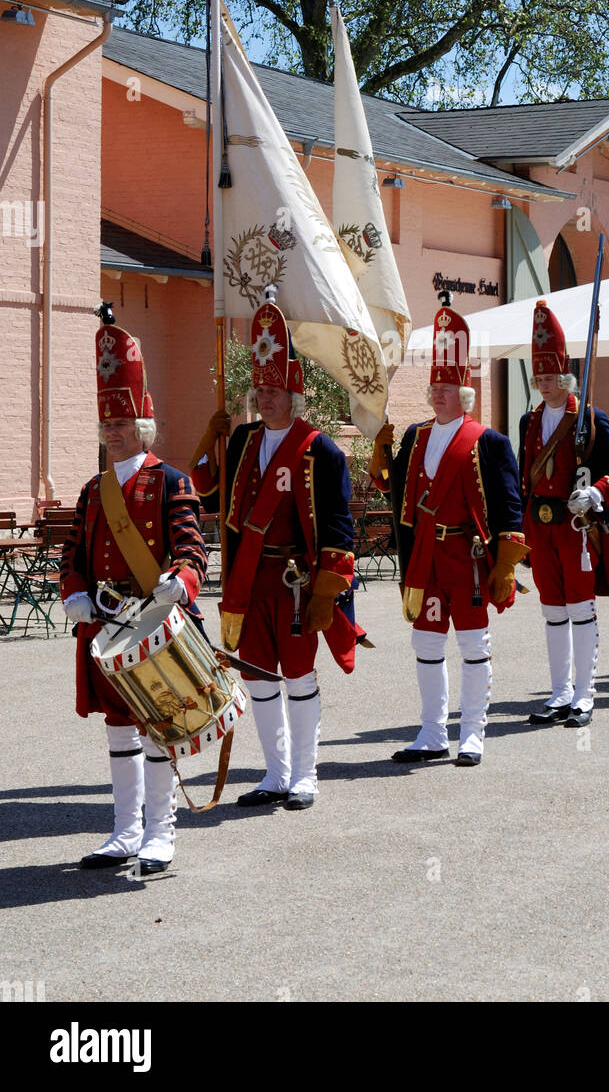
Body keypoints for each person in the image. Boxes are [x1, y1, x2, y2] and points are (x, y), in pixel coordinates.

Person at [191, 289, 360, 810]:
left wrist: (328, 591)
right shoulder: (241, 440)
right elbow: (208, 493)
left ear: (294, 394)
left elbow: (338, 527)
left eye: (274, 388)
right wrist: (208, 439)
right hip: (249, 579)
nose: (264, 396)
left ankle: (305, 775)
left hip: (296, 584)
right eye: (259, 388)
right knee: (257, 677)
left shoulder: (321, 450)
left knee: (300, 676)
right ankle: (276, 772)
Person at [60, 312, 208, 873]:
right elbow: (73, 557)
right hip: (105, 627)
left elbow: (194, 550)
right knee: (118, 727)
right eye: (106, 421)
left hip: (153, 623)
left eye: (122, 421)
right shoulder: (92, 491)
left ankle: (160, 833)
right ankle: (123, 832)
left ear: (142, 424)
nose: (113, 430)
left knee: (156, 726)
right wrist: (73, 593)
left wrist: (181, 583)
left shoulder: (171, 481)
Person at [370, 299, 527, 766]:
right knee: (427, 642)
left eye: (447, 386)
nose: (437, 393)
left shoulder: (488, 442)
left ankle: (473, 734)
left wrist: (505, 562)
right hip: (425, 557)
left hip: (468, 554)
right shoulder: (416, 437)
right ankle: (432, 732)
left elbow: (508, 505)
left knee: (473, 643)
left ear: (465, 392)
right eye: (433, 386)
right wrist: (381, 456)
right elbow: (398, 492)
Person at [517, 301, 609, 727]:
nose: (544, 385)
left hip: (576, 525)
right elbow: (522, 477)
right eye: (540, 378)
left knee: (580, 609)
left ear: (565, 378)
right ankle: (560, 693)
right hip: (540, 528)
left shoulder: (590, 417)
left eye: (551, 378)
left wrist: (597, 494)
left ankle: (584, 695)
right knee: (552, 611)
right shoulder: (529, 421)